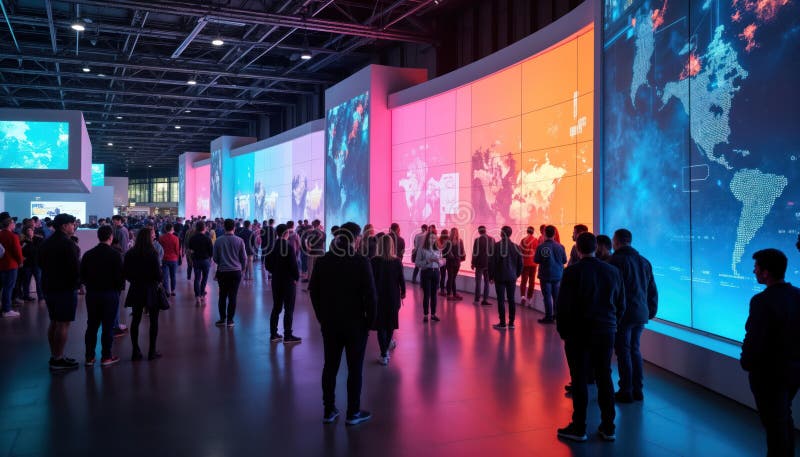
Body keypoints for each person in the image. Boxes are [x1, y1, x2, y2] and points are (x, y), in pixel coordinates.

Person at [556, 232, 625, 443]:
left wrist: (564, 332)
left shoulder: (572, 272)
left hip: (578, 333)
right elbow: (621, 304)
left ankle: (579, 427)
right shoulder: (612, 271)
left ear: (578, 249)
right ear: (596, 247)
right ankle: (608, 427)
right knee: (604, 377)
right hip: (605, 331)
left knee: (579, 379)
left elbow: (563, 305)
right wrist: (612, 324)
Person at [309, 222, 377, 425]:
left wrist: (321, 316)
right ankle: (353, 412)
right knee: (355, 368)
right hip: (356, 324)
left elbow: (314, 291)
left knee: (330, 366)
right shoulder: (361, 262)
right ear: (356, 239)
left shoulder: (323, 261)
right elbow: (371, 297)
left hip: (330, 323)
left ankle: (329, 409)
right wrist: (369, 322)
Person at [740, 248, 800, 457]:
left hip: (768, 375)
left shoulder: (762, 301)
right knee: (783, 417)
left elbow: (754, 337)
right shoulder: (797, 295)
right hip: (793, 371)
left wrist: (746, 362)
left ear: (766, 272)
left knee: (774, 425)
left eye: (756, 267)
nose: (754, 271)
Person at [609, 228, 658, 403]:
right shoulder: (644, 261)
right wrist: (650, 311)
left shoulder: (614, 261)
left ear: (617, 241)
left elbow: (612, 290)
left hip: (623, 315)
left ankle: (626, 390)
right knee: (634, 350)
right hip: (640, 313)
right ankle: (638, 389)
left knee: (623, 352)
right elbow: (652, 290)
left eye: (613, 239)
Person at [39, 213, 81, 370]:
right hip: (65, 288)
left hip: (49, 286)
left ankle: (55, 355)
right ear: (64, 226)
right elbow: (74, 268)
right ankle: (58, 359)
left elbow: (40, 262)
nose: (74, 226)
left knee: (54, 321)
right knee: (63, 323)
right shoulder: (68, 244)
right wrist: (79, 284)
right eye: (72, 224)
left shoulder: (46, 242)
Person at [80, 225, 124, 367]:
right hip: (110, 294)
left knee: (92, 325)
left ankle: (89, 357)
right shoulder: (115, 255)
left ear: (98, 237)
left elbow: (82, 275)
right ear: (111, 237)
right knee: (108, 326)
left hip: (93, 294)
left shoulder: (88, 254)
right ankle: (106, 356)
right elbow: (120, 276)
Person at [124, 227, 164, 361]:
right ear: (148, 238)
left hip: (136, 288)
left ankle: (135, 350)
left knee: (135, 319)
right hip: (151, 289)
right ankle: (152, 351)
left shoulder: (130, 253)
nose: (154, 236)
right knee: (153, 320)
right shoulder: (152, 253)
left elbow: (126, 273)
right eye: (152, 235)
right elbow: (158, 274)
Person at [371, 235, 405, 365]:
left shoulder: (374, 261)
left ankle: (384, 354)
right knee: (390, 325)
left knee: (381, 326)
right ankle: (385, 350)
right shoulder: (397, 261)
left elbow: (371, 280)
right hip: (393, 297)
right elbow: (401, 279)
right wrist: (403, 293)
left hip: (379, 297)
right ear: (391, 246)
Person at [266, 224, 301, 344]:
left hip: (276, 280)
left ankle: (273, 334)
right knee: (289, 308)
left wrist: (275, 272)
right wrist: (296, 277)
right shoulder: (289, 247)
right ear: (286, 233)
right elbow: (294, 265)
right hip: (288, 281)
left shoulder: (272, 247)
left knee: (276, 307)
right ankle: (287, 335)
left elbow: (267, 265)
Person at [212, 219, 246, 327]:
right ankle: (230, 320)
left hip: (223, 272)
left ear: (224, 227)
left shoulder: (218, 241)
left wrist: (222, 262)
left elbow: (215, 258)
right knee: (233, 296)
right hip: (236, 272)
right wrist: (242, 269)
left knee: (222, 296)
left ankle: (222, 319)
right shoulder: (240, 240)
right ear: (234, 228)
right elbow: (244, 258)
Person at [489, 226, 523, 330]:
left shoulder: (496, 246)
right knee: (511, 299)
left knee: (501, 300)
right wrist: (516, 275)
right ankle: (511, 323)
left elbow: (492, 263)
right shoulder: (516, 247)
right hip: (512, 277)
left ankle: (502, 323)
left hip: (500, 277)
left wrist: (491, 276)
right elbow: (520, 264)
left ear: (501, 233)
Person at [535, 225, 567, 324]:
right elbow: (564, 260)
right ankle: (556, 316)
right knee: (556, 297)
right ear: (554, 234)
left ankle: (548, 317)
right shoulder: (560, 246)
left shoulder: (541, 247)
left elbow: (536, 260)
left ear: (544, 234)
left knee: (547, 297)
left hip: (545, 275)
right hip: (557, 275)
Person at [415, 230, 444, 322]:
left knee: (434, 295)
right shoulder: (422, 249)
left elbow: (441, 263)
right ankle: (425, 314)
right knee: (427, 294)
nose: (432, 240)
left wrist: (440, 261)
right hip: (426, 272)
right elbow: (417, 263)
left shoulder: (438, 249)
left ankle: (433, 314)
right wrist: (428, 261)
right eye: (431, 238)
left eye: (434, 238)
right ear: (427, 238)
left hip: (436, 272)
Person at [0, 214, 23, 318]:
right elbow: (17, 251)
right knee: (8, 288)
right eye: (13, 222)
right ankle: (7, 309)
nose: (14, 224)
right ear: (9, 224)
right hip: (11, 265)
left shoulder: (0, 234)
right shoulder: (13, 236)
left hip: (1, 264)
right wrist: (20, 261)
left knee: (4, 287)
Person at [188, 221, 213, 305]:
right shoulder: (207, 238)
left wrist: (191, 259)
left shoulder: (193, 238)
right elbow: (211, 251)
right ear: (204, 228)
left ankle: (197, 297)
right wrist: (210, 259)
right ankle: (202, 294)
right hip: (205, 260)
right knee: (205, 278)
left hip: (196, 260)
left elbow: (190, 250)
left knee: (197, 278)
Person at [19, 225, 44, 303]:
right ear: (25, 232)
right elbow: (21, 251)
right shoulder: (23, 242)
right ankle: (26, 296)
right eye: (28, 231)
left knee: (39, 281)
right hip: (27, 264)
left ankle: (41, 297)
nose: (30, 232)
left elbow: (40, 250)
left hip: (37, 263)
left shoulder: (39, 240)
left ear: (33, 231)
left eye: (31, 230)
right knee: (26, 281)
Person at [471, 225, 493, 306]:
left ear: (479, 231)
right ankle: (485, 300)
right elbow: (493, 253)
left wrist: (473, 263)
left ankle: (477, 300)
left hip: (479, 264)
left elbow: (475, 253)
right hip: (488, 264)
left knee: (478, 282)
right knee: (487, 282)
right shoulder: (492, 239)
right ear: (485, 230)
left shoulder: (477, 240)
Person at [519, 226, 539, 307]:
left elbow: (520, 252)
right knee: (532, 282)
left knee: (523, 281)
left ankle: (523, 297)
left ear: (527, 231)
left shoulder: (523, 240)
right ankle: (529, 300)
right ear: (533, 232)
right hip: (533, 264)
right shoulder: (536, 240)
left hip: (525, 263)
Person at [158, 223, 180, 296]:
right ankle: (173, 290)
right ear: (172, 229)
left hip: (164, 259)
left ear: (165, 229)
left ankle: (167, 291)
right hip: (173, 259)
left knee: (165, 276)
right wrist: (177, 257)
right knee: (173, 276)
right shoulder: (175, 238)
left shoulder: (161, 238)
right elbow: (177, 249)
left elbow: (160, 249)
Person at [445, 228, 465, 300]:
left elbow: (445, 252)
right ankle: (452, 293)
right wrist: (461, 259)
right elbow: (462, 252)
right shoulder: (460, 241)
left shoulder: (448, 241)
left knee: (451, 278)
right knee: (452, 278)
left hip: (450, 262)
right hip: (456, 262)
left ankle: (450, 294)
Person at [304, 220, 326, 286]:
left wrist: (308, 248)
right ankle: (319, 284)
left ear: (313, 225)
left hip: (312, 252)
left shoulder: (311, 233)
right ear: (319, 224)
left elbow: (309, 243)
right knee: (319, 269)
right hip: (320, 252)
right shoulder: (324, 233)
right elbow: (323, 242)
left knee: (310, 269)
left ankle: (310, 286)